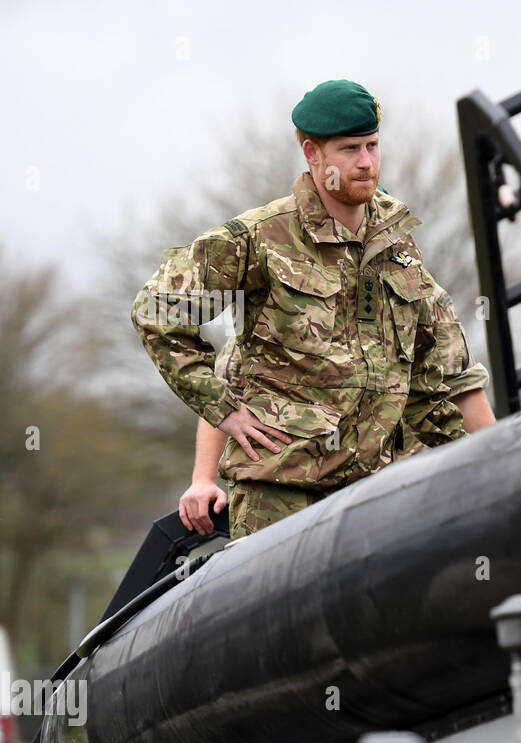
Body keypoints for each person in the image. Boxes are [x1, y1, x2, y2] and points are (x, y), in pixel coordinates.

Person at [133, 79, 469, 539]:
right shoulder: (263, 238)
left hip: (380, 489)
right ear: (313, 154)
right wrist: (223, 408)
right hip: (284, 497)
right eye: (350, 149)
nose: (367, 162)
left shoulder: (394, 240)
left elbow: (431, 374)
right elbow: (158, 310)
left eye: (372, 145)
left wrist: (464, 461)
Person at [178, 316, 494, 535]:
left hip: (399, 494)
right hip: (290, 504)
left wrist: (497, 467)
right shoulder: (272, 316)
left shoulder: (420, 300)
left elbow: (462, 389)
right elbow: (222, 400)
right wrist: (203, 480)